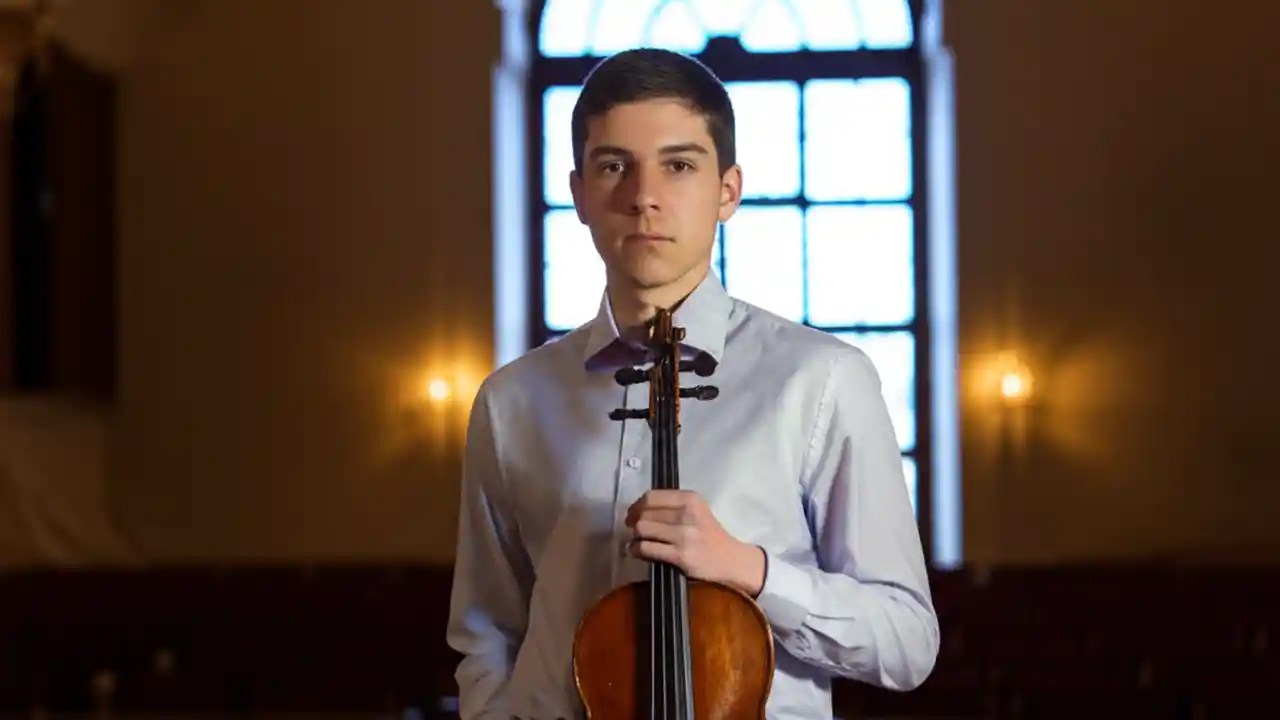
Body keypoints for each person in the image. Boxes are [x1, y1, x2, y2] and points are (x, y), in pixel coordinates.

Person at [446, 47, 938, 719]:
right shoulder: (511, 402)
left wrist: (749, 569)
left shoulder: (821, 380)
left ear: (727, 191)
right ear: (579, 192)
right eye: (614, 166)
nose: (643, 195)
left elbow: (906, 641)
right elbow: (487, 634)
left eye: (678, 166)